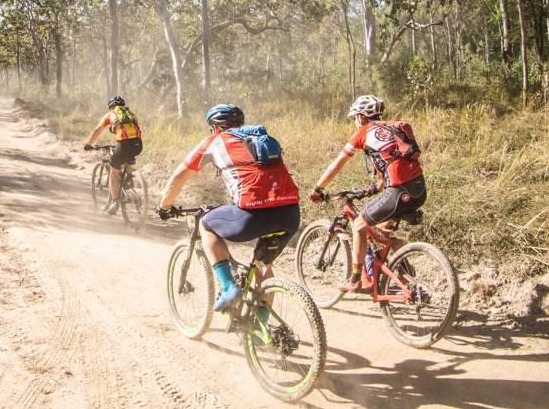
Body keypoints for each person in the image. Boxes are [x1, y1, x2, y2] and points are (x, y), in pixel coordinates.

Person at [156, 104, 301, 312]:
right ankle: (260, 330)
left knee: (207, 224)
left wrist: (164, 206)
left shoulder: (215, 141)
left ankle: (228, 287)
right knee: (262, 265)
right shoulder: (259, 138)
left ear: (215, 127)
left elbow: (179, 177)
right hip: (290, 214)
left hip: (252, 215)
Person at [308, 94, 427, 293]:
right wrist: (369, 190)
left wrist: (318, 188)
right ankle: (406, 279)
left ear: (362, 117)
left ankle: (355, 279)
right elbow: (387, 174)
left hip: (397, 191)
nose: (355, 121)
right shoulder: (396, 128)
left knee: (359, 225)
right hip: (419, 190)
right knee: (386, 232)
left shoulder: (363, 132)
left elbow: (337, 165)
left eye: (355, 117)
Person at [83, 95, 143, 214]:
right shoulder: (131, 114)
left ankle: (116, 202)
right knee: (126, 160)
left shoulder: (110, 114)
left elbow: (97, 131)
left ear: (111, 107)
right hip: (138, 144)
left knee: (113, 172)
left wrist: (88, 144)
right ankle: (129, 181)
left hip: (123, 145)